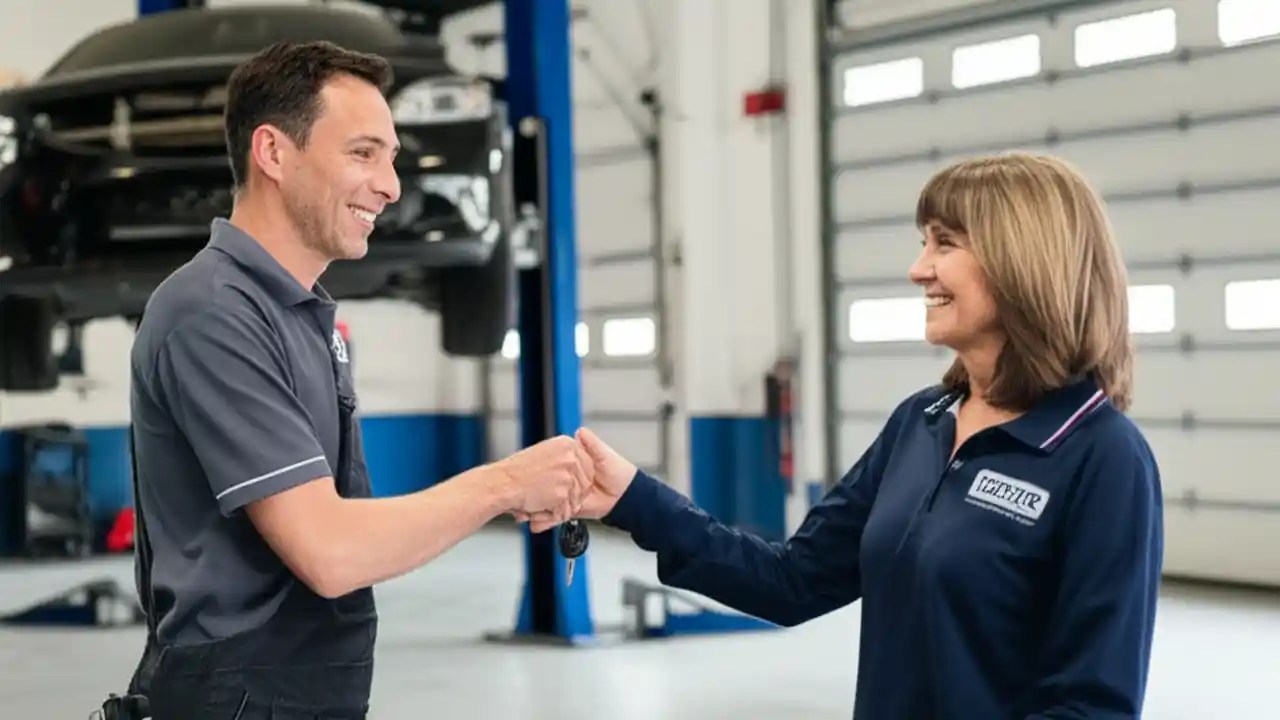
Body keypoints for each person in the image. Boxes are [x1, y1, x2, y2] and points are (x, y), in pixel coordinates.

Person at [556, 153, 1165, 719]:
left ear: (1024, 261)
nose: (918, 268)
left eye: (944, 243)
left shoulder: (1102, 457)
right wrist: (634, 498)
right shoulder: (923, 423)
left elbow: (1091, 707)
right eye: (922, 243)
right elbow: (793, 580)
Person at [122, 41, 593, 719]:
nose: (392, 185)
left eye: (391, 157)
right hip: (237, 699)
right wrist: (502, 483)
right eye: (363, 153)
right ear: (274, 153)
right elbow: (331, 551)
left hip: (292, 689)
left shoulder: (295, 314)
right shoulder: (213, 313)